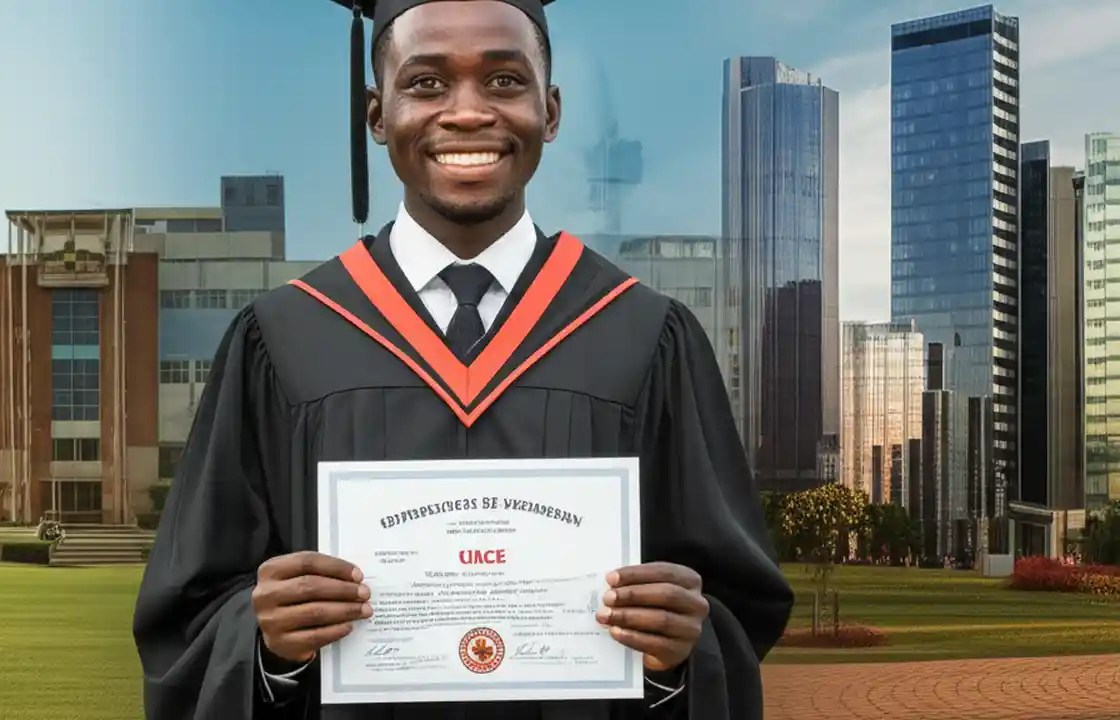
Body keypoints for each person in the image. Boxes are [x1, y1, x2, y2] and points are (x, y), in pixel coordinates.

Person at [132, 1, 794, 718]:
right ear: (376, 114)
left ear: (552, 108)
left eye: (506, 81)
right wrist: (264, 646)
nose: (469, 112)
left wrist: (677, 652)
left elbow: (731, 608)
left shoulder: (645, 334)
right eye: (427, 84)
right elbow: (188, 619)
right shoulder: (283, 338)